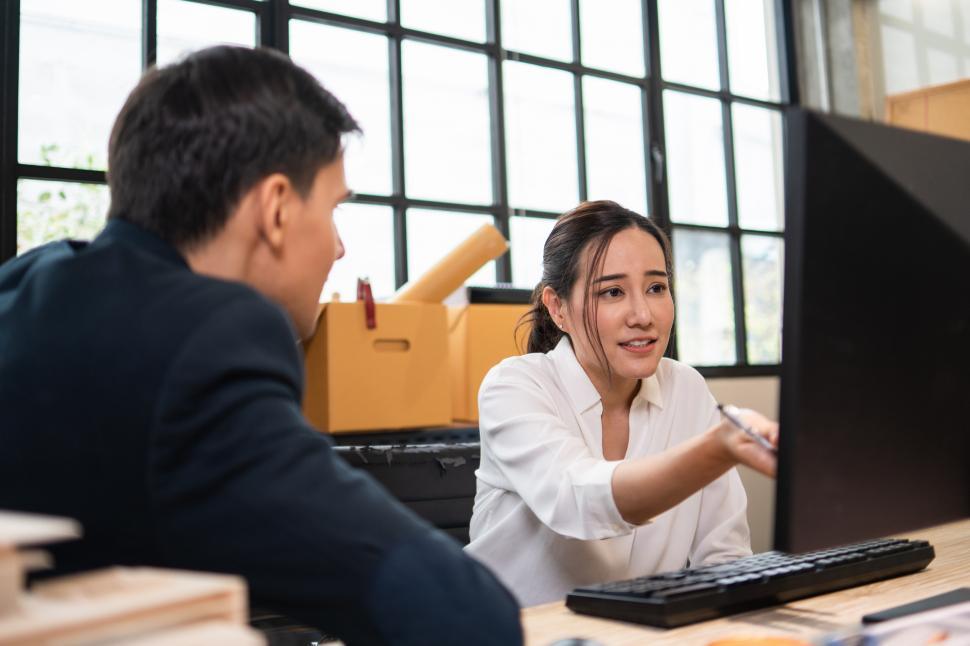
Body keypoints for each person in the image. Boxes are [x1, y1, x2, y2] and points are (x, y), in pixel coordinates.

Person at [0, 46, 521, 645]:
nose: (339, 248)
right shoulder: (204, 346)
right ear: (275, 209)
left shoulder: (26, 287)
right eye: (333, 209)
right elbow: (462, 615)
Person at [464, 201, 778, 607]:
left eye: (656, 287)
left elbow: (724, 556)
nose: (643, 314)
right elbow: (578, 501)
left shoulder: (687, 387)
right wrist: (716, 449)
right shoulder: (515, 386)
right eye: (612, 292)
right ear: (557, 307)